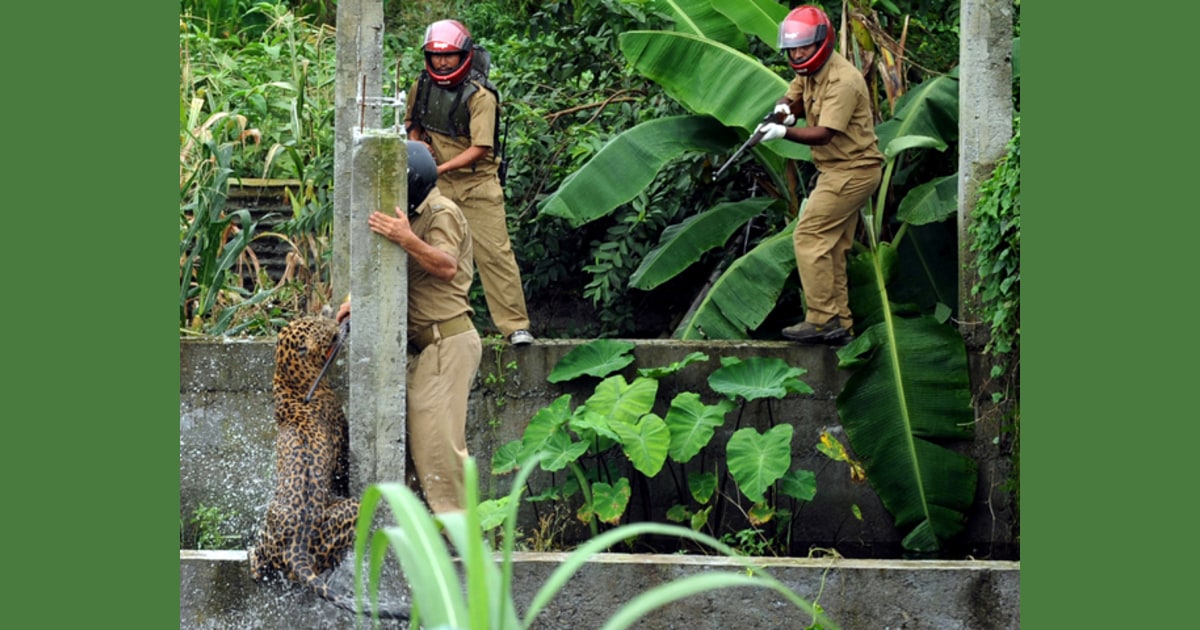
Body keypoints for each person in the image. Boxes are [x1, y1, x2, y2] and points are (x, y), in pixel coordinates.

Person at [336, 141, 480, 515]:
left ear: (412, 181)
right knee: (415, 456)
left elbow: (447, 266)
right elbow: (395, 275)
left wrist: (406, 238)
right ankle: (426, 548)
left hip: (445, 344)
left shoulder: (440, 211)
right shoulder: (411, 216)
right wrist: (358, 302)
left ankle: (465, 554)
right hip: (423, 350)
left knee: (440, 454)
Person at [755, 5, 885, 344]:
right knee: (832, 247)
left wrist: (783, 133)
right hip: (837, 170)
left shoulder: (843, 80)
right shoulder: (811, 70)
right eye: (793, 48)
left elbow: (825, 133)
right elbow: (795, 93)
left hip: (852, 171)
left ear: (822, 43)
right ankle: (841, 325)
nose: (798, 54)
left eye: (804, 47)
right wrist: (783, 108)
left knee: (809, 235)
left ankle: (822, 319)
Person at [404, 19, 535, 346]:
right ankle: (445, 327)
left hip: (477, 186)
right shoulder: (421, 85)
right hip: (436, 183)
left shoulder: (480, 95)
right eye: (436, 56)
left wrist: (440, 168)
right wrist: (419, 147)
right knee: (439, 256)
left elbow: (480, 148)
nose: (442, 62)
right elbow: (413, 124)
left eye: (449, 56)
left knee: (495, 254)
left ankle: (515, 326)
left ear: (464, 55)